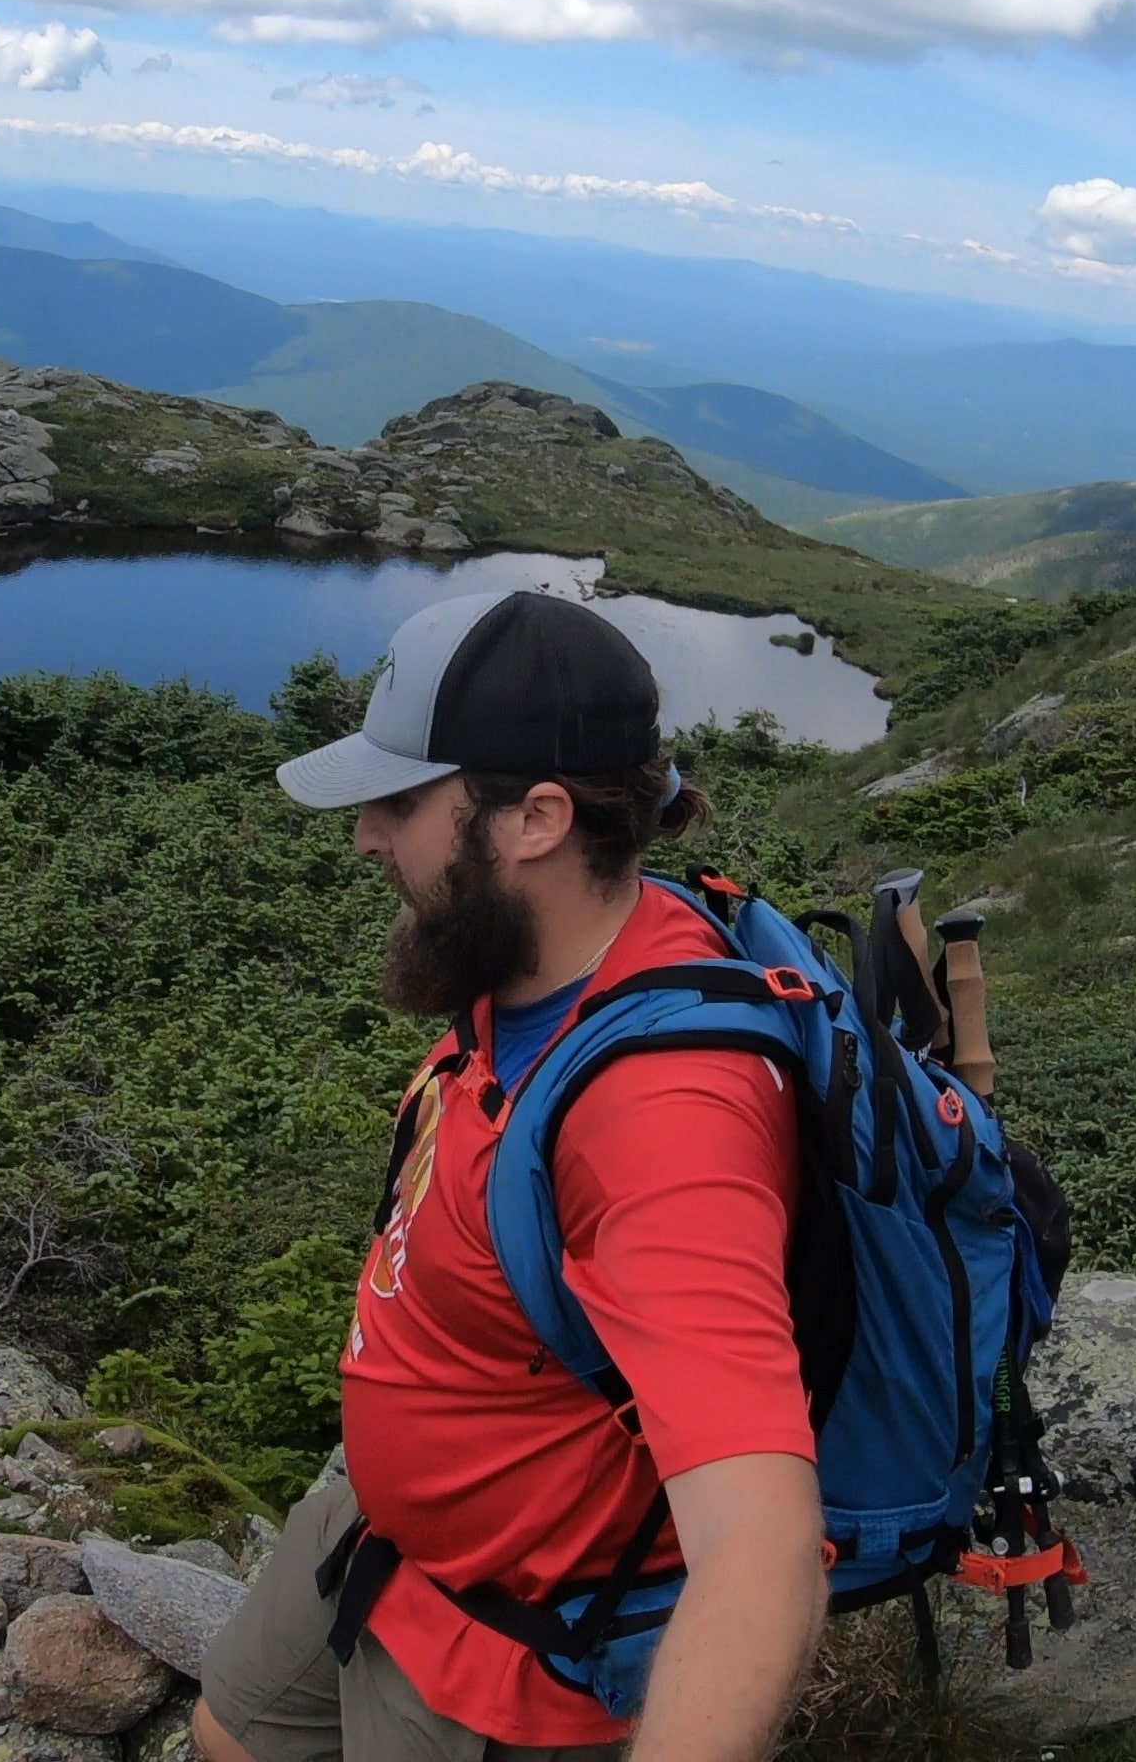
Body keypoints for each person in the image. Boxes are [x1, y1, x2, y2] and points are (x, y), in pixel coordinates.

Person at [194, 589, 830, 1762]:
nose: (366, 837)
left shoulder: (660, 1115)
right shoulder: (544, 957)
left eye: (400, 803)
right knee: (229, 1733)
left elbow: (761, 1544)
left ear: (537, 818)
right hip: (386, 1531)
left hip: (505, 1652)